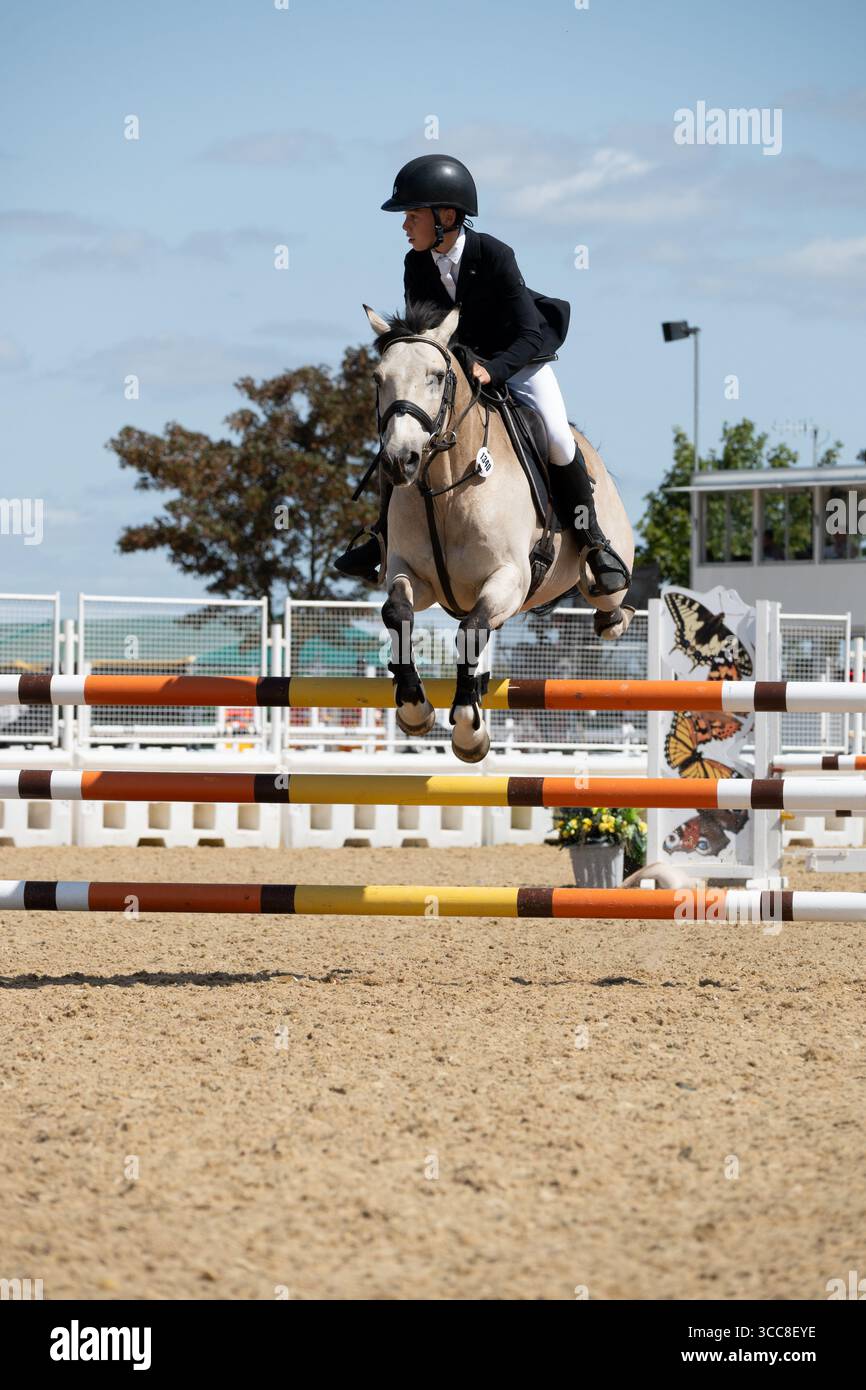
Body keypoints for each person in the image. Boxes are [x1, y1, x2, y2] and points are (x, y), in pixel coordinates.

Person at [335, 154, 631, 596]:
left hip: (518, 362)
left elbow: (531, 333)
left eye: (412, 216)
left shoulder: (493, 255)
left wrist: (493, 369)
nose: (405, 226)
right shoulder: (415, 263)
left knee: (557, 437)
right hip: (457, 370)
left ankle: (593, 544)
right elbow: (429, 333)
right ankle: (382, 538)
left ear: (446, 217)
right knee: (402, 436)